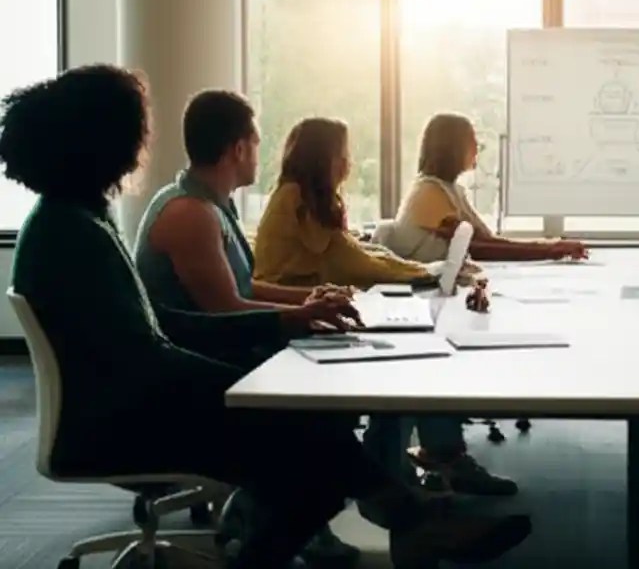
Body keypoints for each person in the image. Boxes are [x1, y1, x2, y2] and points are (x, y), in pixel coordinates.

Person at [0, 65, 530, 569]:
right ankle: (403, 524)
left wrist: (282, 327)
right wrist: (246, 388)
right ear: (105, 143)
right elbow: (149, 351)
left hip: (125, 404)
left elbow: (158, 324)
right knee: (309, 449)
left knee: (309, 446)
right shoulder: (74, 235)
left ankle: (407, 523)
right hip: (117, 423)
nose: (142, 148)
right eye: (136, 134)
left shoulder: (75, 221)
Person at [150, 98, 516, 498]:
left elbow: (244, 287)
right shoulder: (191, 213)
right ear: (239, 149)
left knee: (404, 355)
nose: (260, 152)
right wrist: (306, 310)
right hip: (218, 362)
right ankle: (395, 491)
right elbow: (227, 312)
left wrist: (312, 299)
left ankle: (400, 487)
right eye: (255, 142)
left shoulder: (213, 206)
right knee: (396, 361)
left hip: (238, 342)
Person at [379, 112, 588, 262]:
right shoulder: (428, 193)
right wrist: (550, 249)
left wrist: (551, 247)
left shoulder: (450, 190)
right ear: (453, 148)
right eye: (472, 142)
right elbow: (478, 247)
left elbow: (485, 239)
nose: (477, 149)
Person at [252, 117, 433, 288]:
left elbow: (352, 251)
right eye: (342, 154)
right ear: (320, 160)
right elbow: (352, 261)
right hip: (288, 305)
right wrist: (421, 273)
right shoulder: (297, 198)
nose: (348, 162)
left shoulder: (297, 192)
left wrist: (421, 270)